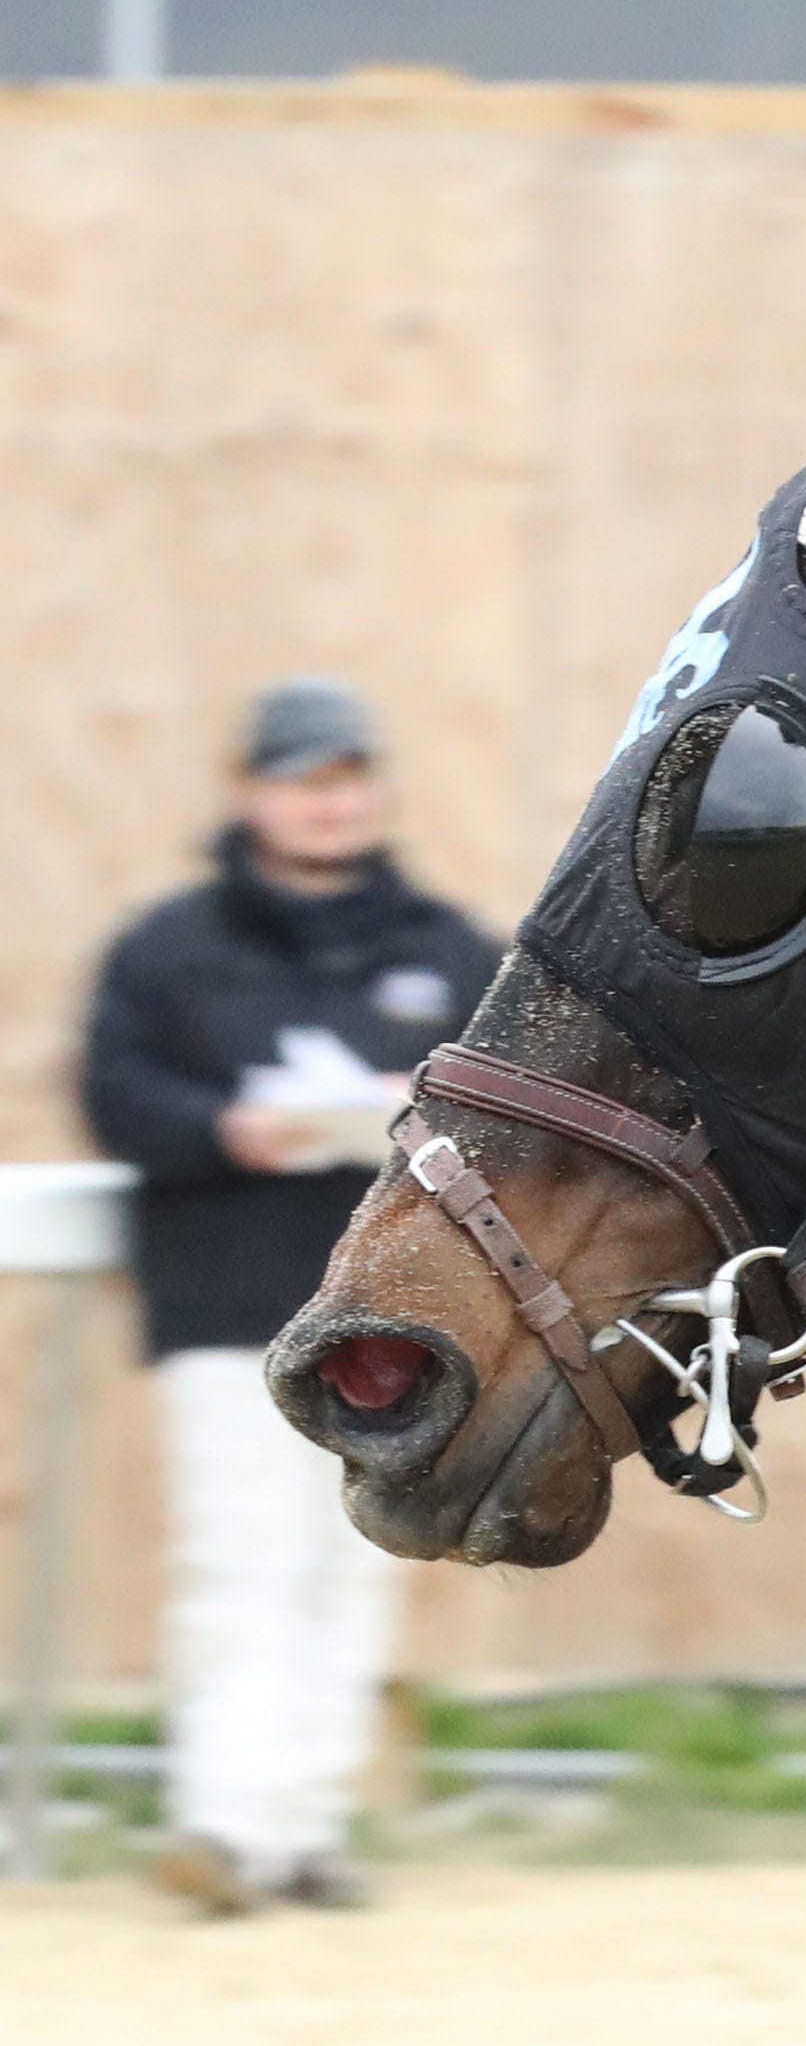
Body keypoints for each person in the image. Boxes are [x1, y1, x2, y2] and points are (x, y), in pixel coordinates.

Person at [79, 679, 499, 1912]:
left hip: (398, 1318)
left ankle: (307, 1828)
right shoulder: (169, 949)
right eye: (305, 782)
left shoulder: (444, 947)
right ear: (249, 793)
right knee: (240, 1558)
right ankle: (223, 1826)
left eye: (349, 779)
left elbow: (506, 1107)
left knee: (351, 1562)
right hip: (230, 1303)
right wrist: (229, 1129)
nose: (332, 805)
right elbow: (120, 1097)